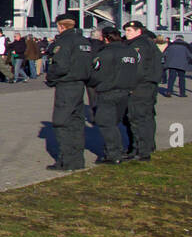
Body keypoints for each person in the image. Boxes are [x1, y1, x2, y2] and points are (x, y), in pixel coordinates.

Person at [44, 15, 94, 171]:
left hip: (66, 84)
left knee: (62, 122)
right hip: (80, 84)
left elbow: (60, 65)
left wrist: (50, 78)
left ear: (61, 26)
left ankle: (66, 161)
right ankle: (77, 160)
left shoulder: (64, 42)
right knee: (76, 123)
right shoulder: (84, 41)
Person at [88, 26, 142, 164]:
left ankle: (114, 154)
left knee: (106, 123)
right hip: (125, 91)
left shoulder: (106, 53)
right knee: (114, 123)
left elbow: (97, 73)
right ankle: (115, 151)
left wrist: (92, 82)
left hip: (108, 91)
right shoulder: (131, 51)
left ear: (105, 38)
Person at [122, 20, 160, 161]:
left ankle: (140, 151)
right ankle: (145, 148)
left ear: (139, 31)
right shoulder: (148, 43)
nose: (126, 33)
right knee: (146, 117)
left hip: (140, 87)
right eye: (126, 30)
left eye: (130, 31)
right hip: (148, 85)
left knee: (137, 118)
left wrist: (130, 85)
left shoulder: (138, 45)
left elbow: (138, 68)